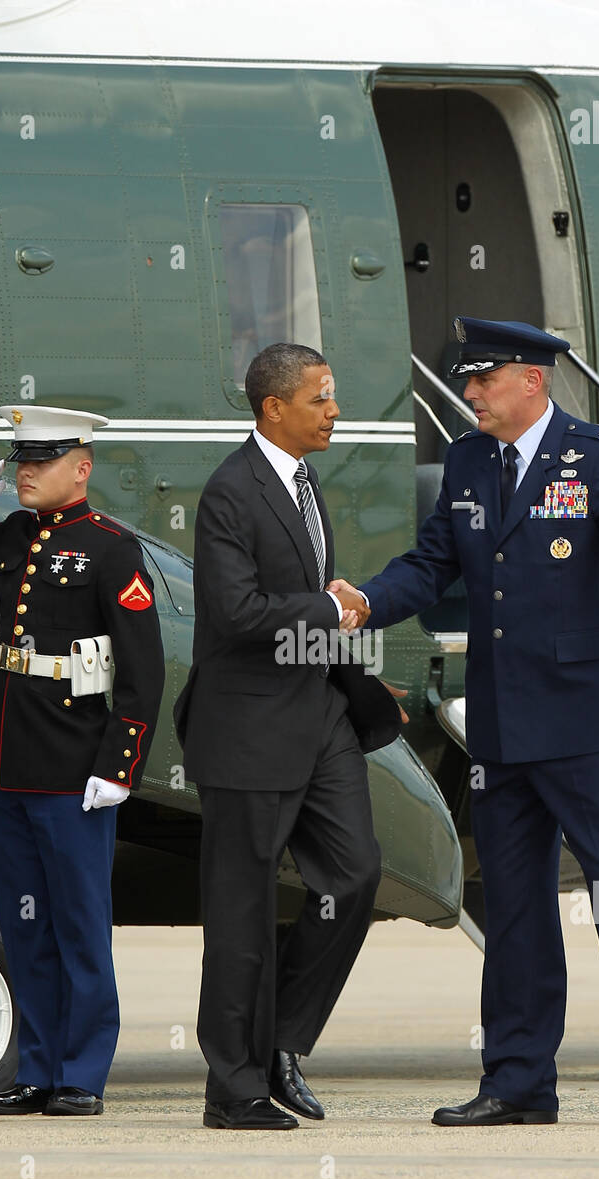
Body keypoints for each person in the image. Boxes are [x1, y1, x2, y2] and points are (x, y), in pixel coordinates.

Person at [331, 318, 599, 1127]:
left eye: (484, 380)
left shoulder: (595, 454)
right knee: (516, 907)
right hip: (499, 725)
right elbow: (431, 563)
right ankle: (518, 1082)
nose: (471, 394)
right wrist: (365, 603)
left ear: (531, 380)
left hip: (585, 721)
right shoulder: (465, 461)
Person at [0, 405, 164, 1116]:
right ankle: (36, 1067)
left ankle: (81, 1074)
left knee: (79, 923)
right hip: (7, 760)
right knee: (24, 925)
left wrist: (120, 765)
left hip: (74, 767)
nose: (25, 470)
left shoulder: (111, 549)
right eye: (20, 458)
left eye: (41, 459)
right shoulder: (12, 535)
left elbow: (143, 669)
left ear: (81, 467)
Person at [173, 342, 400, 1130]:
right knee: (240, 909)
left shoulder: (303, 482)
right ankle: (233, 1087)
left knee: (354, 875)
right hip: (247, 728)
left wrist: (326, 604)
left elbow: (290, 594)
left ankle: (281, 1042)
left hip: (318, 715)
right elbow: (234, 614)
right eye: (321, 399)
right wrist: (327, 610)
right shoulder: (232, 492)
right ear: (274, 408)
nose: (334, 411)